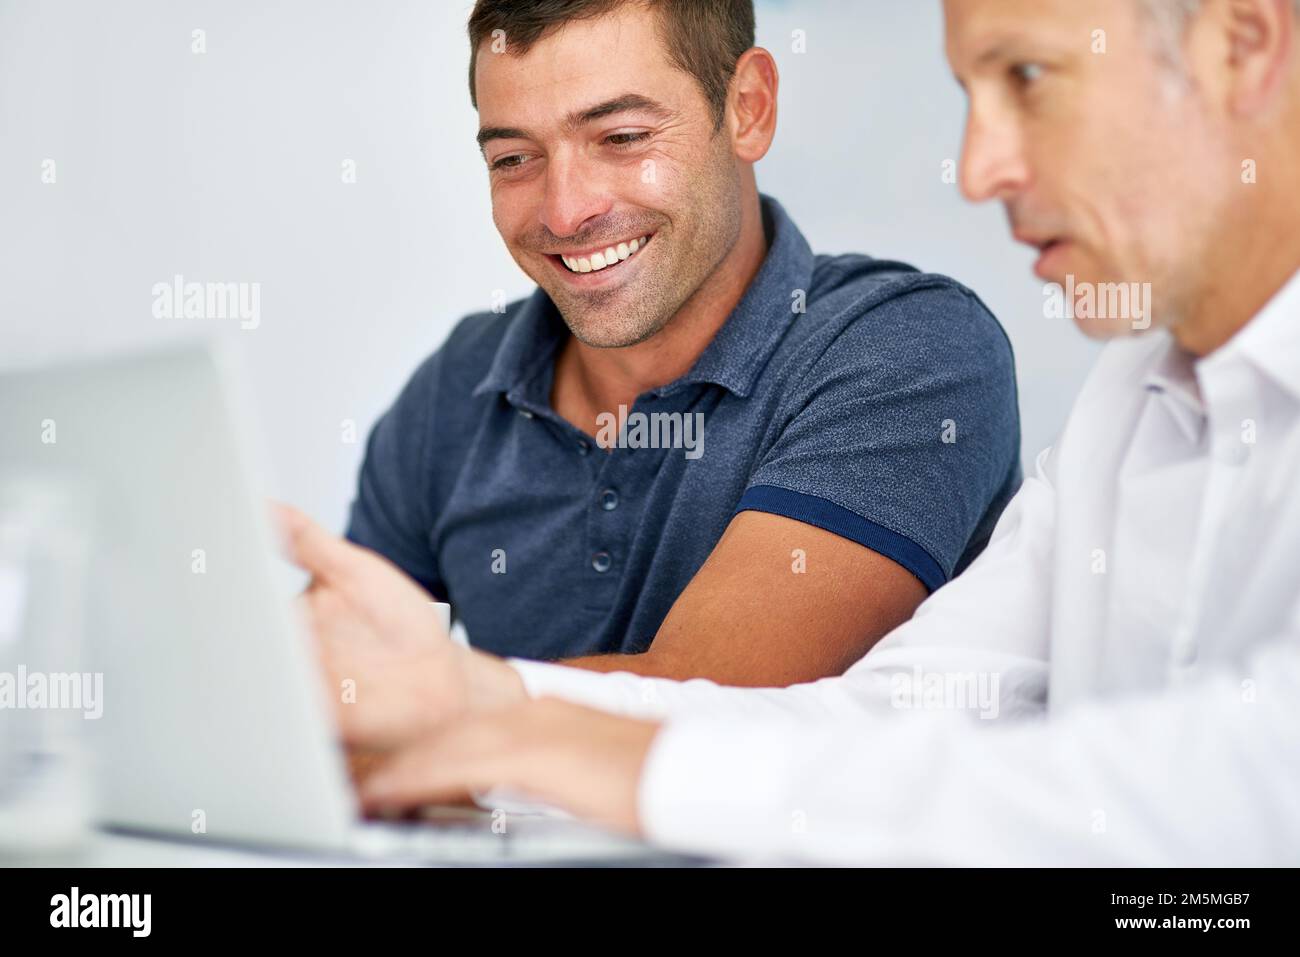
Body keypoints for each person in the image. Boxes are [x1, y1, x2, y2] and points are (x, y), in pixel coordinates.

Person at [282, 0, 1300, 865]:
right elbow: (885, 716)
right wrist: (478, 702)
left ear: (1244, 45)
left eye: (1027, 78)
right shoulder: (1130, 400)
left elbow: (1211, 789)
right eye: (513, 155)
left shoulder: (901, 346)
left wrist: (502, 727)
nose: (978, 168)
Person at [343, 0, 1021, 685]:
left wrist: (415, 705)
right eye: (515, 158)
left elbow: (702, 700)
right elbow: (328, 696)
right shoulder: (455, 387)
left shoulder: (909, 352)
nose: (564, 210)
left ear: (748, 109)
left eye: (623, 137)